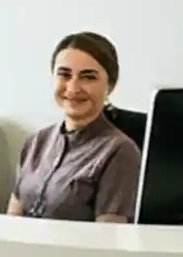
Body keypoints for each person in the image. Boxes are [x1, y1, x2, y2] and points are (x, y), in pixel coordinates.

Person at [7, 32, 142, 223]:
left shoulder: (120, 152)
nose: (73, 87)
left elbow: (110, 240)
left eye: (88, 77)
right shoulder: (36, 142)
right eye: (64, 74)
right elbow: (12, 219)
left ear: (110, 86)